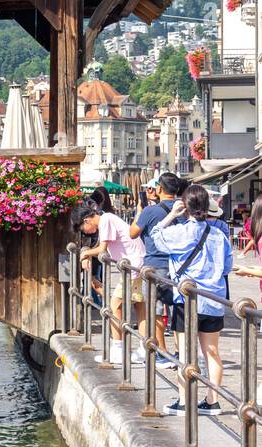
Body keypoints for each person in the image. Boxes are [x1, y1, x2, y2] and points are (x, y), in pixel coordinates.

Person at [152, 184, 233, 416]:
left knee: (186, 352)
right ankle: (212, 401)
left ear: (185, 206)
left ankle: (185, 400)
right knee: (212, 351)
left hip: (186, 300)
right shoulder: (219, 234)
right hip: (214, 299)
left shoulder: (179, 232)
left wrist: (170, 215)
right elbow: (227, 266)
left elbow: (156, 236)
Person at [73, 198, 147, 363]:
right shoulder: (107, 218)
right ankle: (143, 348)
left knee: (114, 306)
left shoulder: (105, 220)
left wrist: (84, 254)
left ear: (86, 220)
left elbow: (101, 248)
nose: (86, 232)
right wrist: (88, 253)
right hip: (136, 263)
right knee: (140, 307)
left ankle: (118, 349)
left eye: (83, 229)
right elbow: (100, 246)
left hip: (132, 266)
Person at [130, 171, 186, 361]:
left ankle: (162, 353)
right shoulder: (185, 209)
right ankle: (181, 352)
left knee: (155, 308)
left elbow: (133, 233)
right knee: (179, 308)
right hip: (180, 266)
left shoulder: (150, 211)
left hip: (155, 264)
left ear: (159, 188)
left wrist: (140, 210)